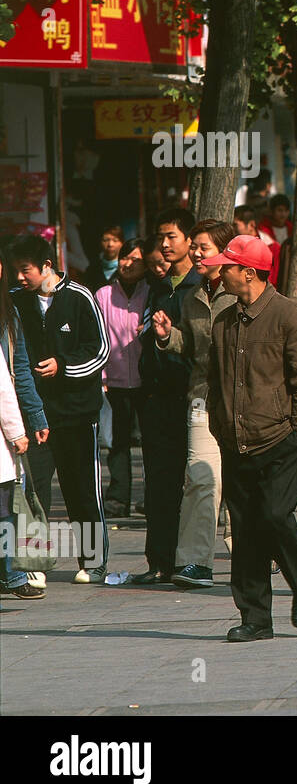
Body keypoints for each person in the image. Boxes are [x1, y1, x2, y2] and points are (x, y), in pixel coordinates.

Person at [206, 234, 297, 642]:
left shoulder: (290, 316)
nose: (220, 273)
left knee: (274, 516)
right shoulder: (223, 320)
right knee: (246, 530)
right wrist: (218, 423)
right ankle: (255, 617)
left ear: (250, 273)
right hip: (235, 441)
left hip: (280, 439)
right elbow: (215, 378)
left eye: (228, 267)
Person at [10, 234, 110, 582]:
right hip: (36, 415)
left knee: (82, 489)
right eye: (15, 272)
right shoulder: (15, 303)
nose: (20, 278)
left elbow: (100, 351)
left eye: (25, 271)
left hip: (78, 414)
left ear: (46, 265)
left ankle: (93, 562)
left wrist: (63, 366)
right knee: (33, 490)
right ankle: (34, 564)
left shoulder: (81, 297)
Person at [151, 220, 238, 588]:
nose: (197, 254)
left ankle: (255, 552)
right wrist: (169, 336)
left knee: (241, 481)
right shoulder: (192, 296)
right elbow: (192, 347)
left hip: (245, 400)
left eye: (204, 248)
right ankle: (194, 563)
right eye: (197, 247)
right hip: (203, 395)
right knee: (201, 478)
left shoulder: (244, 292)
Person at [133, 208, 201, 585]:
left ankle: (195, 557)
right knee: (158, 482)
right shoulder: (158, 286)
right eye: (160, 236)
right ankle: (159, 560)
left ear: (189, 240)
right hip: (156, 397)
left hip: (191, 396)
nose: (164, 244)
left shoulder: (200, 286)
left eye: (172, 236)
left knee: (198, 483)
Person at [0, 249, 49, 598]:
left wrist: (33, 418)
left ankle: (11, 572)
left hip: (5, 422)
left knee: (5, 504)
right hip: (7, 423)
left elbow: (17, 373)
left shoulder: (8, 311)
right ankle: (11, 575)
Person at [93, 237, 150, 520]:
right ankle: (118, 497)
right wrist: (100, 375)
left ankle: (152, 497)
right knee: (118, 442)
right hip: (113, 380)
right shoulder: (103, 295)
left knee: (151, 441)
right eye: (125, 257)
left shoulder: (151, 292)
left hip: (146, 380)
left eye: (135, 260)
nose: (127, 263)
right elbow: (97, 336)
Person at [233, 206, 282, 288]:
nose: (232, 229)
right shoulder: (233, 244)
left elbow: (274, 279)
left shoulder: (272, 247)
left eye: (235, 225)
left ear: (252, 225)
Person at [83, 226, 124, 293]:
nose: (110, 244)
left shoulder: (126, 269)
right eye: (106, 240)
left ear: (122, 243)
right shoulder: (92, 270)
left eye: (115, 240)